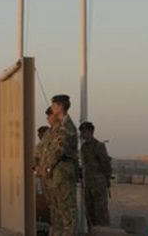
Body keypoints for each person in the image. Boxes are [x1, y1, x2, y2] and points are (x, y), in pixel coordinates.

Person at [42, 94, 78, 236]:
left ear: (60, 106)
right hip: (55, 175)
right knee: (56, 213)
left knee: (67, 214)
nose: (51, 108)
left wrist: (46, 166)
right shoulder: (57, 127)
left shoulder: (66, 126)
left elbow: (58, 149)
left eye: (53, 105)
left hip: (63, 173)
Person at [80, 121, 112, 229]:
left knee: (101, 212)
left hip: (98, 184)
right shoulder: (84, 148)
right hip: (88, 184)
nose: (82, 134)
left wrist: (107, 179)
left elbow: (106, 164)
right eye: (81, 132)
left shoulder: (99, 146)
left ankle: (104, 232)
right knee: (90, 212)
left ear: (90, 132)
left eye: (84, 132)